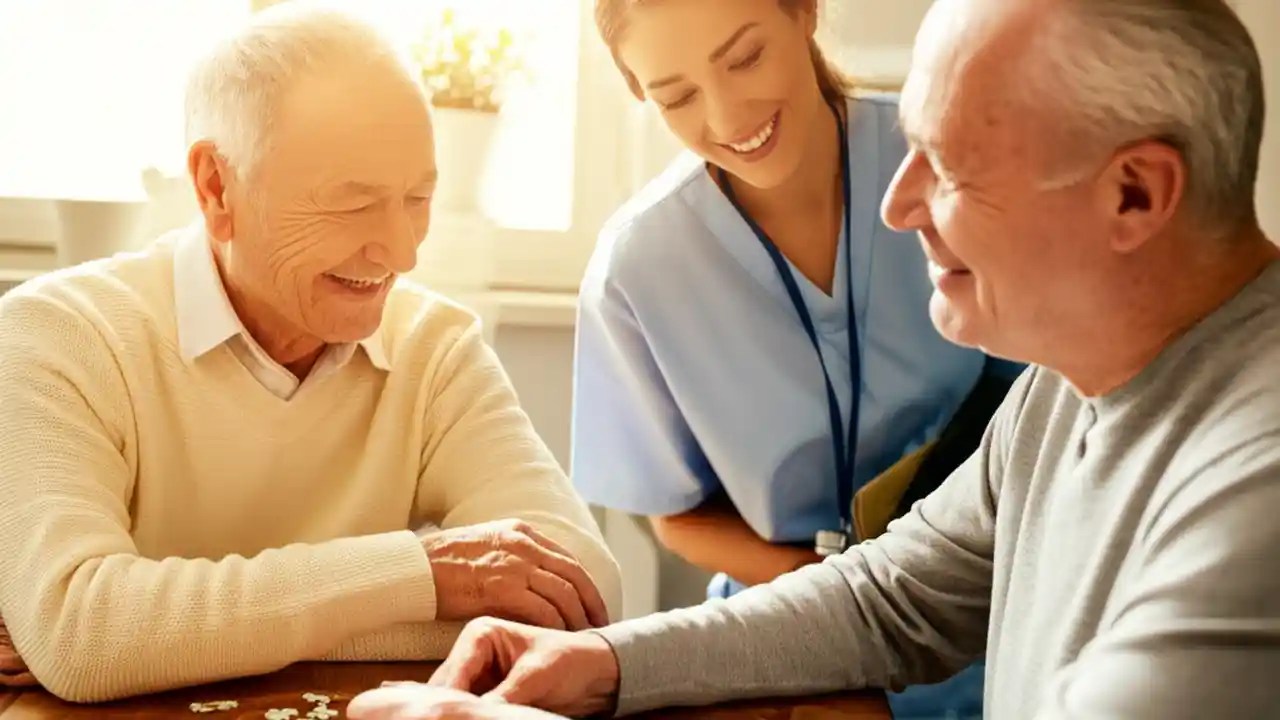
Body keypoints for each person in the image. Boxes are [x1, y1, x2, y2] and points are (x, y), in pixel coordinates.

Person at [345, 0, 1280, 718]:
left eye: (947, 168)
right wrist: (607, 663)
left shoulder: (1256, 487)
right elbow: (888, 597)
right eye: (910, 147)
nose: (897, 205)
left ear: (1134, 193)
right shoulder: (1066, 389)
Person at [0, 2, 621, 704]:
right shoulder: (58, 336)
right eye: (352, 205)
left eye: (418, 198)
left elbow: (583, 593)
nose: (403, 251)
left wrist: (163, 634)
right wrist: (426, 574)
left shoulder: (435, 348)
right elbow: (85, 635)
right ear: (216, 188)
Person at [571, 0, 1016, 716]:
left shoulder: (937, 162)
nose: (726, 118)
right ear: (637, 91)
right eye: (676, 95)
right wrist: (833, 605)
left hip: (981, 612)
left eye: (744, 58)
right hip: (784, 639)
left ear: (804, 11)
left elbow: (1042, 402)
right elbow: (677, 517)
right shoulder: (637, 271)